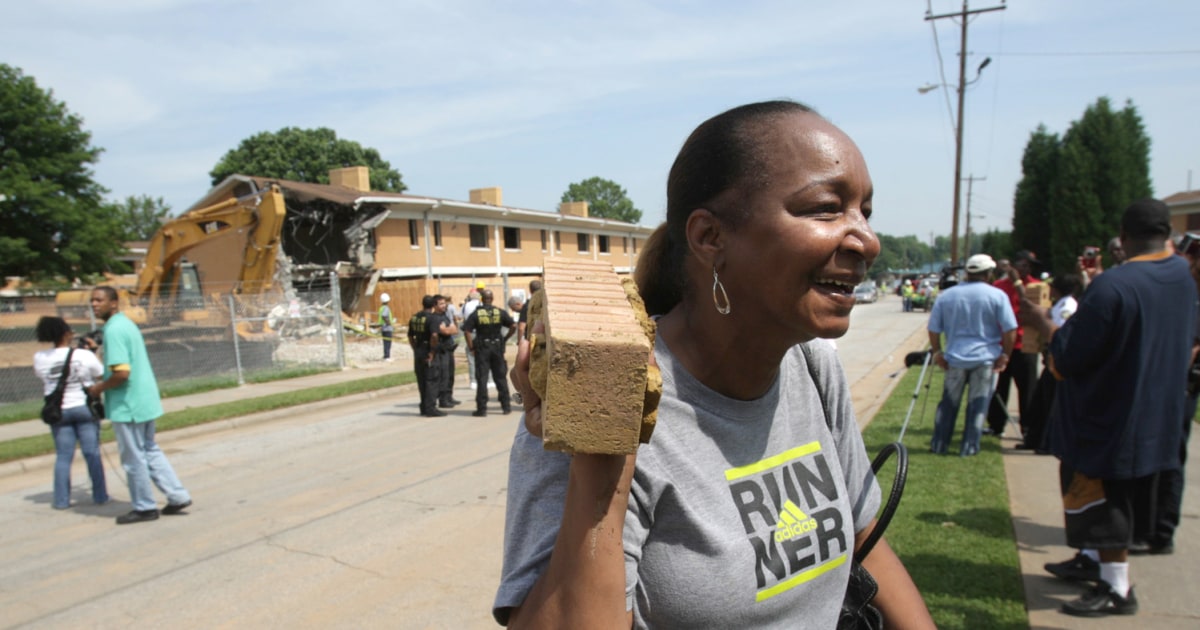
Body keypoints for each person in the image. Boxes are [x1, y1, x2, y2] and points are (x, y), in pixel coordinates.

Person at [494, 100, 933, 628]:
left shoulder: (813, 368)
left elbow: (865, 539)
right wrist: (603, 463)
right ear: (710, 237)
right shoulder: (600, 404)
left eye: (865, 211)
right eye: (825, 208)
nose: (868, 239)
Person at [1027, 199, 1196, 616]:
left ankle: (1117, 588)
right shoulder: (1182, 276)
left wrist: (1043, 322)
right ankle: (1092, 559)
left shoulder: (1113, 286)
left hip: (1107, 417)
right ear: (1167, 235)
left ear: (1123, 237)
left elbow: (1068, 357)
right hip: (1158, 410)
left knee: (1103, 501)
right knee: (1119, 497)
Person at [85, 286, 192, 525]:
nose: (94, 305)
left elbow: (121, 373)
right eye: (92, 300)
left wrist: (98, 388)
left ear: (114, 303)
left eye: (99, 300)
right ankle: (177, 496)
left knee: (133, 458)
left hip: (128, 404)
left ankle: (144, 507)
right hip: (143, 399)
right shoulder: (126, 324)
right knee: (149, 449)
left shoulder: (114, 330)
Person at [926, 254, 1017, 456]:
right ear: (989, 273)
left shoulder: (947, 296)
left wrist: (938, 352)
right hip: (985, 358)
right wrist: (1005, 355)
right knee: (978, 405)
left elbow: (933, 328)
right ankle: (969, 447)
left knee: (948, 404)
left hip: (956, 358)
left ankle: (939, 444)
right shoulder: (997, 295)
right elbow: (1010, 329)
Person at [33, 316, 108, 510]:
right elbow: (101, 374)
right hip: (83, 407)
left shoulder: (39, 357)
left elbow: (44, 377)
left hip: (58, 411)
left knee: (63, 456)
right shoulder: (82, 355)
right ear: (66, 333)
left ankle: (61, 500)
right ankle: (100, 495)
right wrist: (93, 352)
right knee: (91, 452)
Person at [1017, 274, 1081, 452]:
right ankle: (1033, 439)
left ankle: (1047, 443)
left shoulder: (1068, 306)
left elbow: (1059, 330)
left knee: (1049, 403)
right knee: (1039, 402)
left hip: (1057, 361)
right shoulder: (1060, 304)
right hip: (1050, 358)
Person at [987, 249, 1042, 437]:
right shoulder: (999, 286)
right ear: (1013, 265)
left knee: (1028, 388)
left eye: (1029, 266)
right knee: (999, 387)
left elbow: (1031, 307)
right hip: (1002, 344)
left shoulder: (1036, 286)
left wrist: (1018, 284)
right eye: (1023, 265)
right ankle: (996, 424)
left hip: (1025, 344)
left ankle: (1028, 426)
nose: (1026, 269)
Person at [462, 289, 515, 417]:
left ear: (481, 299)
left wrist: (471, 348)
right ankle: (506, 407)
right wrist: (505, 339)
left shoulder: (476, 314)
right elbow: (513, 326)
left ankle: (482, 409)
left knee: (482, 378)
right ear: (492, 299)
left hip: (482, 348)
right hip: (497, 347)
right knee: (500, 378)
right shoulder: (499, 312)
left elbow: (467, 331)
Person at [408, 295, 442, 417]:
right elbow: (434, 336)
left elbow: (410, 336)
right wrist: (432, 352)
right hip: (428, 349)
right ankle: (430, 408)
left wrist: (415, 348)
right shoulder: (432, 318)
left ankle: (423, 406)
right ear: (433, 305)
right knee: (431, 380)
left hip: (418, 349)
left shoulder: (414, 318)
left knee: (421, 379)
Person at [430, 295, 460, 409]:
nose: (444, 306)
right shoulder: (434, 318)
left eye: (444, 303)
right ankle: (443, 399)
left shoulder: (445, 316)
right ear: (434, 306)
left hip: (449, 348)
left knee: (450, 374)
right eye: (441, 304)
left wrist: (447, 330)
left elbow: (454, 330)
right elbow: (445, 332)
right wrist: (447, 330)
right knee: (444, 374)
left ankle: (449, 396)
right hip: (441, 349)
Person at [462, 289, 482, 389]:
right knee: (483, 358)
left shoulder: (466, 305)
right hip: (481, 333)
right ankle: (487, 380)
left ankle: (473, 381)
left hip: (470, 332)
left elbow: (462, 317)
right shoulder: (481, 305)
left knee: (471, 357)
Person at [378, 292, 394, 362]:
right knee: (388, 342)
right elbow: (384, 316)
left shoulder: (381, 308)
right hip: (387, 328)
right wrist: (389, 323)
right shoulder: (386, 308)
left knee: (385, 342)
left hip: (383, 328)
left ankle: (385, 355)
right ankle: (387, 356)